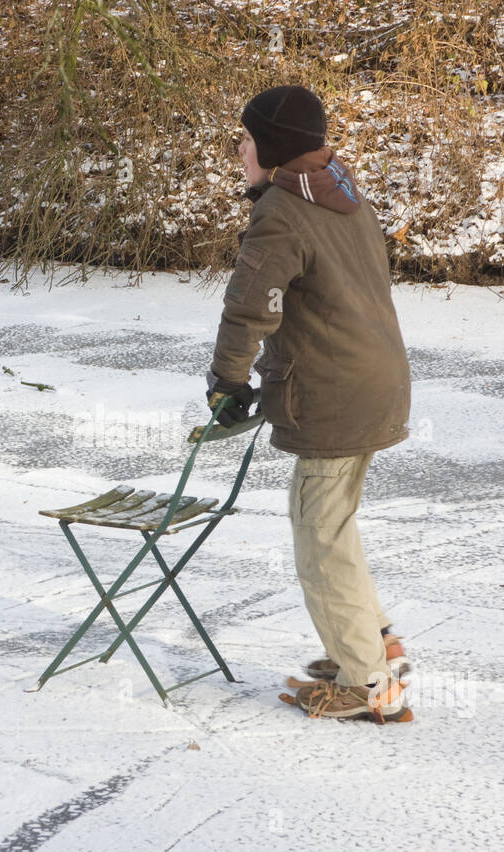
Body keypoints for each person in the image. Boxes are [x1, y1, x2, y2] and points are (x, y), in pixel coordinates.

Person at [205, 85, 414, 723]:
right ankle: (376, 644)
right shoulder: (341, 191)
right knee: (334, 522)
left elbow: (250, 309)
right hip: (374, 379)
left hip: (332, 393)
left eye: (246, 139)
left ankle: (365, 683)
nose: (240, 149)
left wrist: (227, 383)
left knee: (317, 534)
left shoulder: (282, 214)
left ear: (271, 148)